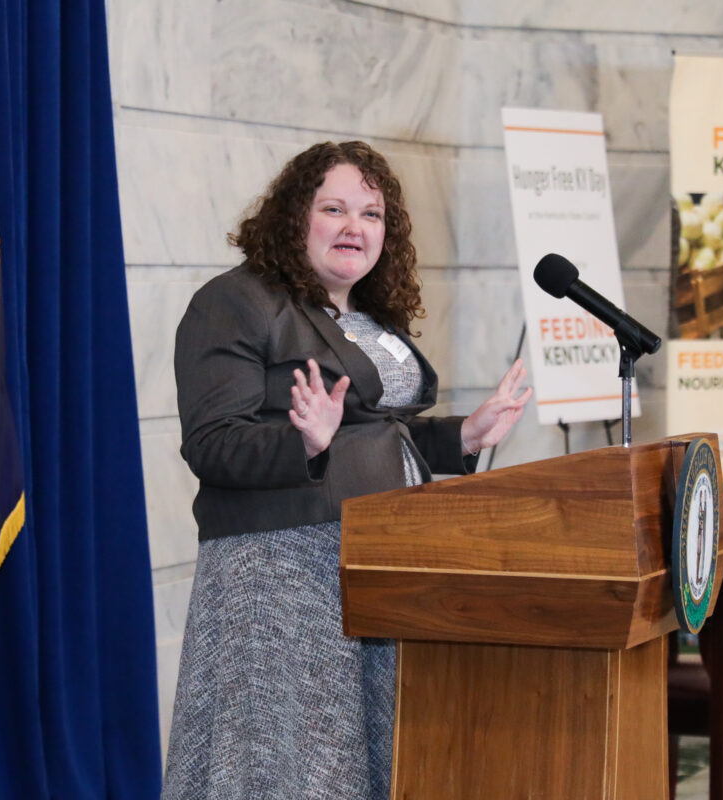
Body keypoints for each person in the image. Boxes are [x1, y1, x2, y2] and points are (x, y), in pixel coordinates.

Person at [162, 141, 531, 800]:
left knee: (365, 766)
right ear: (294, 216)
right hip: (281, 575)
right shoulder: (236, 301)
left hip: (376, 564)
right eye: (333, 209)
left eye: (371, 213)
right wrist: (302, 443)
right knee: (290, 772)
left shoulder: (365, 314)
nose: (355, 226)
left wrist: (465, 436)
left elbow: (376, 435)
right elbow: (212, 443)